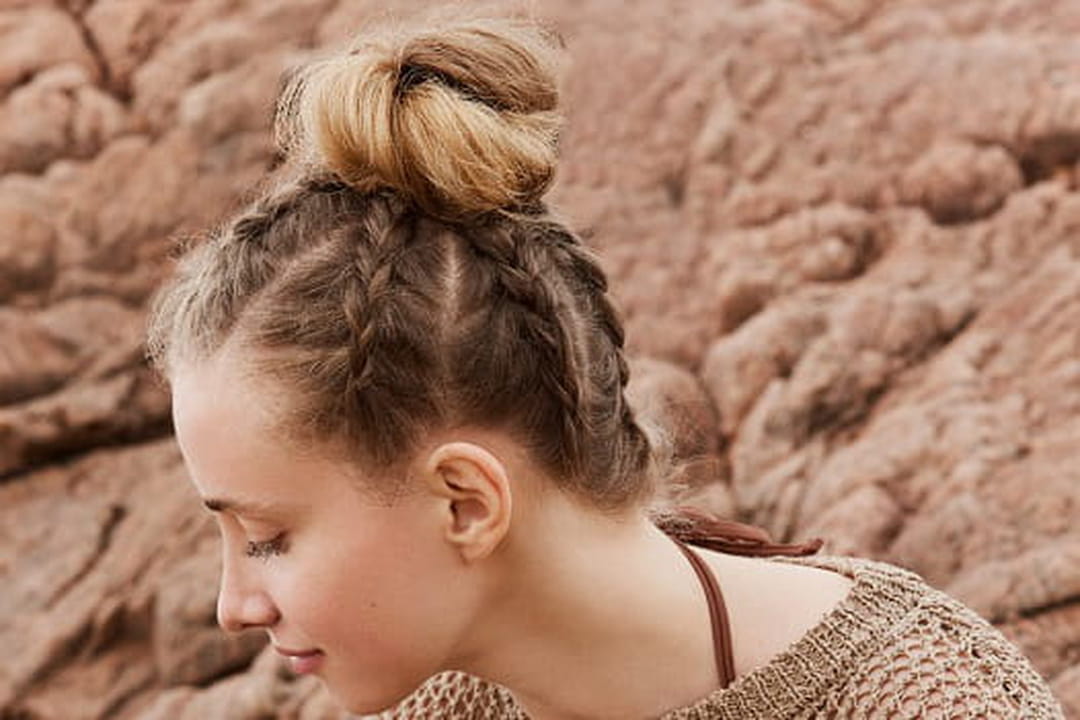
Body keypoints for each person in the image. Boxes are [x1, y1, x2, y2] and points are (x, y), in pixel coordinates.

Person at [145, 15, 1066, 719]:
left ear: (467, 501)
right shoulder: (440, 699)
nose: (233, 606)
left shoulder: (926, 698)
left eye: (266, 537)